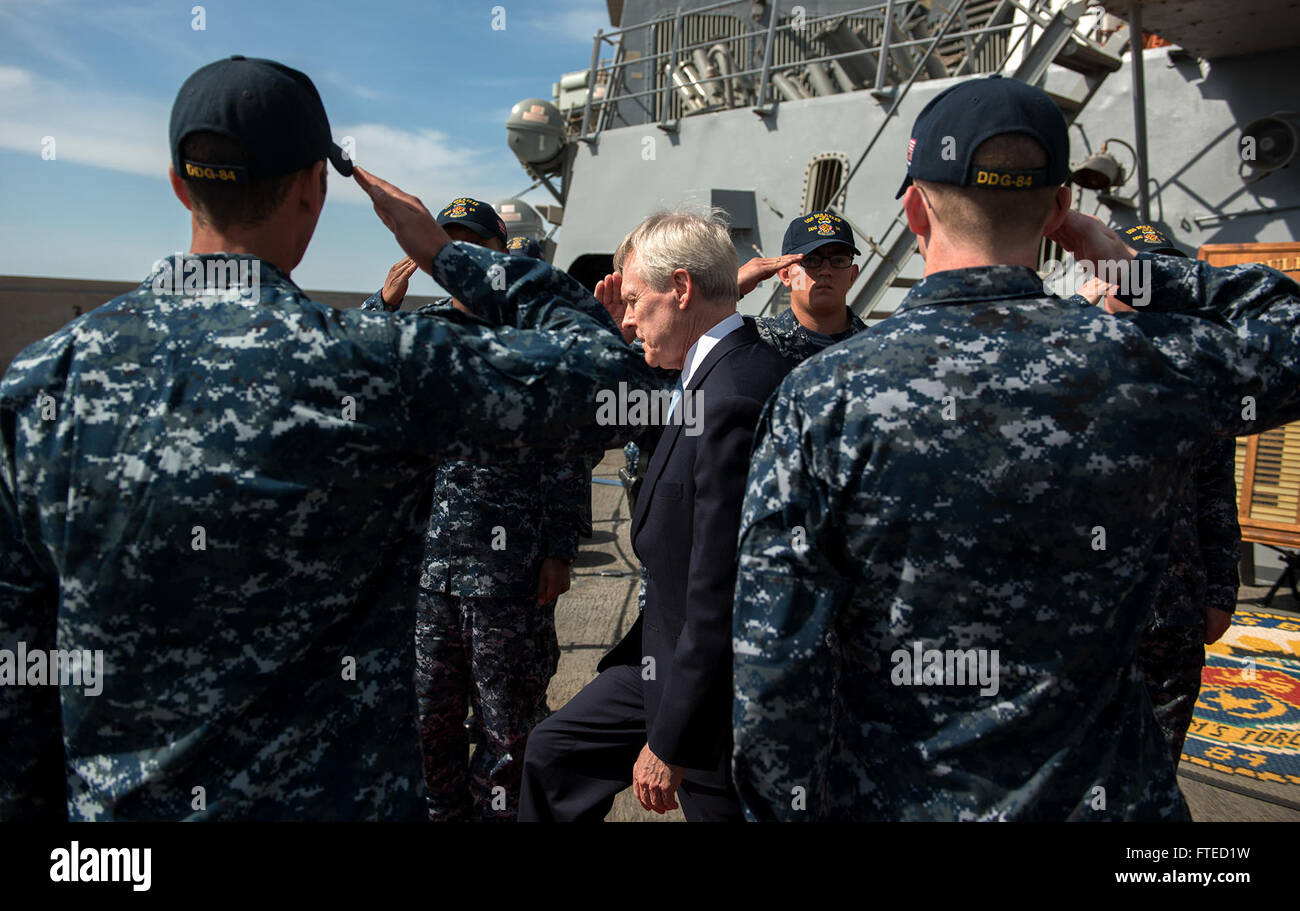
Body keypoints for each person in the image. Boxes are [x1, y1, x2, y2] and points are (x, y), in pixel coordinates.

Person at [0, 56, 655, 821]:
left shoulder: (40, 384)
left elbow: (20, 684)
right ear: (315, 188)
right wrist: (446, 254)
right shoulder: (379, 365)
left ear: (180, 185)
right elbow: (615, 377)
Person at [731, 74, 1300, 821]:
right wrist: (1132, 266)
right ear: (1060, 210)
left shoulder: (823, 393)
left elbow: (773, 664)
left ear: (913, 207)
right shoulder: (1148, 365)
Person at [519, 212, 791, 821]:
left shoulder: (736, 396)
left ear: (683, 288)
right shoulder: (710, 374)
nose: (632, 315)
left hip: (712, 683)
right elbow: (630, 418)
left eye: (638, 299)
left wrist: (672, 741)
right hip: (664, 648)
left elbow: (720, 588)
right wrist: (618, 340)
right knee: (553, 754)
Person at [361, 199, 586, 821]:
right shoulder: (420, 329)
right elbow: (355, 367)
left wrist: (560, 548)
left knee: (507, 717)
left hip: (509, 572)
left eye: (474, 243)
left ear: (497, 249)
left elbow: (565, 448)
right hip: (429, 567)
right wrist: (383, 302)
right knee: (429, 710)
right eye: (447, 241)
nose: (460, 255)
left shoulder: (532, 335)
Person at [1071, 226, 1241, 764]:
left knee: (1156, 767)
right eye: (1133, 274)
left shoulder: (1199, 379)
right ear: (1102, 280)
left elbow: (1216, 492)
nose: (1145, 291)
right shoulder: (1061, 366)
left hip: (1174, 610)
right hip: (1079, 617)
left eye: (1157, 277)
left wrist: (1220, 593)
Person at [750, 211, 868, 366]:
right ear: (786, 275)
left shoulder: (880, 346)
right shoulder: (755, 341)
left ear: (852, 276)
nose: (826, 270)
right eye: (811, 260)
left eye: (838, 260)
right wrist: (733, 287)